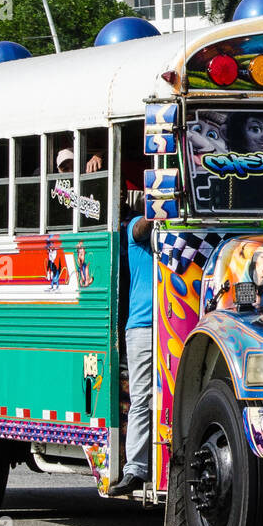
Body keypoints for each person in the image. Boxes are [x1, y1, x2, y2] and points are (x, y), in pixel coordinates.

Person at [108, 198, 154, 496]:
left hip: (185, 323)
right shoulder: (135, 231)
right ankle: (135, 469)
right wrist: (160, 206)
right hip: (144, 326)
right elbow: (141, 228)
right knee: (142, 399)